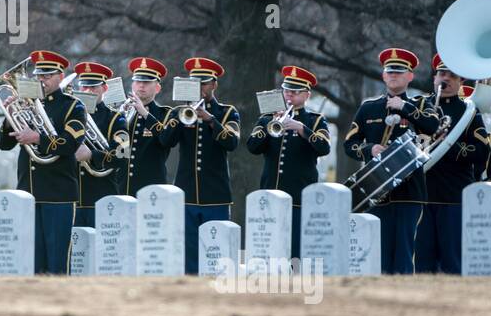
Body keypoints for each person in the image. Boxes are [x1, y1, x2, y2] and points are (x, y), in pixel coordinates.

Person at [343, 48, 440, 274]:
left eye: (400, 71)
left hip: (410, 192)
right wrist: (369, 149)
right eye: (390, 71)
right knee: (379, 253)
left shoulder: (421, 105)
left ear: (410, 76)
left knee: (405, 253)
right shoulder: (368, 108)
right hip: (377, 192)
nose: (394, 75)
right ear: (383, 76)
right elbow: (349, 144)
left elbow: (434, 128)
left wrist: (405, 107)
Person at [0, 50, 87, 274]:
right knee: (31, 262)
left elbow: (70, 144)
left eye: (47, 75)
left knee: (56, 262)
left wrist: (38, 137)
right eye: (39, 75)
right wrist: (9, 118)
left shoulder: (73, 106)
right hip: (28, 191)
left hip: (58, 193)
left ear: (60, 76)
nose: (41, 80)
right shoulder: (26, 104)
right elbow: (5, 144)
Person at [417, 55, 491, 273]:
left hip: (453, 197)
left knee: (452, 261)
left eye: (451, 76)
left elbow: (481, 150)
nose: (444, 79)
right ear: (434, 77)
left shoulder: (469, 111)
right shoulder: (420, 107)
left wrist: (445, 145)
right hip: (421, 195)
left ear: (460, 82)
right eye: (441, 74)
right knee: (422, 261)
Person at [161, 57, 240, 274]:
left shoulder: (227, 112)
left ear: (214, 84)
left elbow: (231, 142)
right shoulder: (181, 113)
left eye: (203, 83)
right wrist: (179, 117)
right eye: (195, 82)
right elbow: (166, 141)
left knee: (217, 251)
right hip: (186, 194)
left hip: (216, 195)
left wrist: (210, 119)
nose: (199, 87)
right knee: (189, 252)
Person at [245, 65, 332, 260]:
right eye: (286, 91)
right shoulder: (268, 118)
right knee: (270, 248)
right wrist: (269, 126)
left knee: (295, 249)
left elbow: (324, 147)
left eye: (295, 92)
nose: (289, 96)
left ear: (307, 95)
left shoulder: (315, 120)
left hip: (299, 196)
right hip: (271, 191)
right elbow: (252, 147)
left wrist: (303, 130)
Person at [70, 61, 127, 230]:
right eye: (85, 87)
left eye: (94, 87)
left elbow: (122, 156)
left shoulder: (116, 119)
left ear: (105, 89)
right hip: (71, 197)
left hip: (101, 198)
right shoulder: (69, 115)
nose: (88, 91)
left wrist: (91, 155)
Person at [124, 57, 175, 195]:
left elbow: (166, 140)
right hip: (122, 186)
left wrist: (144, 113)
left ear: (157, 88)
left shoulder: (166, 113)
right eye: (138, 81)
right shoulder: (122, 112)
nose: (141, 85)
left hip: (151, 189)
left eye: (146, 82)